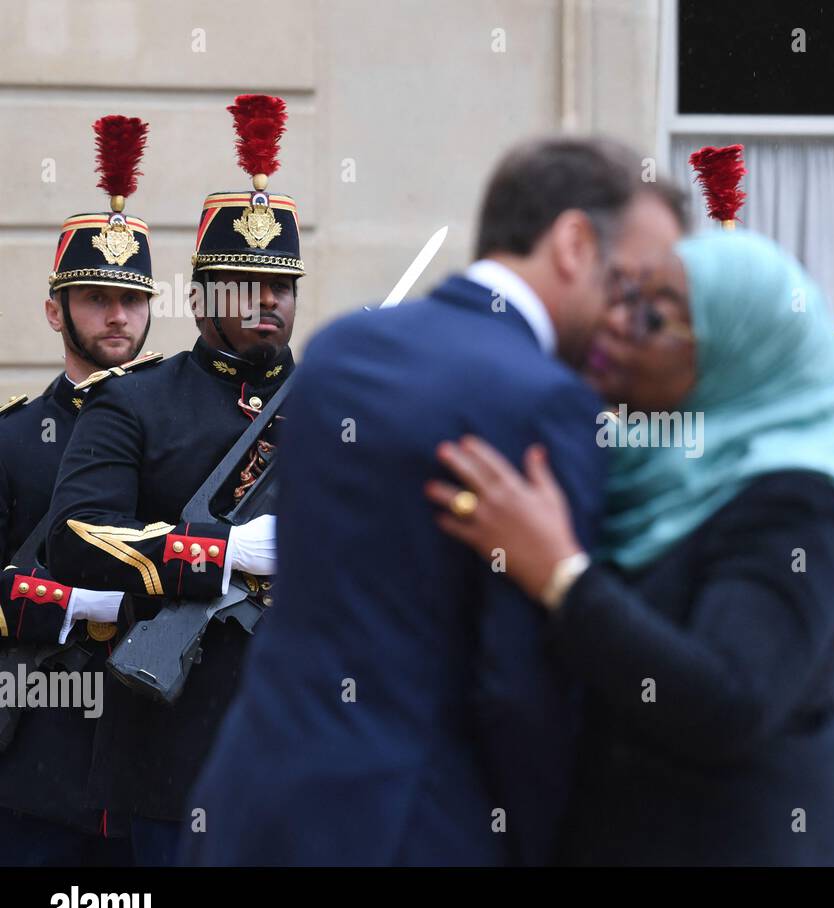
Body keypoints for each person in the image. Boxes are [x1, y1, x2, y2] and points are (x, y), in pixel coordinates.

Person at [184, 137, 687, 865]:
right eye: (631, 282)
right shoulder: (546, 404)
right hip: (417, 828)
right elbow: (523, 689)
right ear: (575, 244)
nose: (632, 318)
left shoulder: (342, 351)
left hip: (254, 808)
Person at [428, 228, 834, 865]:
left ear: (736, 350)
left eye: (656, 315)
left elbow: (732, 699)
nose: (617, 323)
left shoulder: (795, 500)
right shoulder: (646, 466)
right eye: (624, 299)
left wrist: (562, 577)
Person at [44, 95, 301, 865]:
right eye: (241, 284)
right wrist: (225, 553)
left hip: (303, 750)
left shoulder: (337, 408)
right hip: (177, 751)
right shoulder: (135, 401)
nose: (266, 303)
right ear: (199, 296)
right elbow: (76, 540)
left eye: (280, 285)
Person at [0, 115, 156, 866]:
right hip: (40, 749)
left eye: (130, 299)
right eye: (95, 298)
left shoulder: (183, 430)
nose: (116, 316)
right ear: (54, 310)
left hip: (157, 753)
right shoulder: (11, 439)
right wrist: (77, 605)